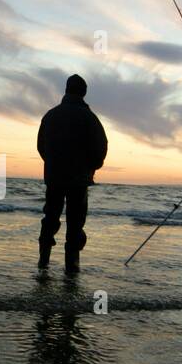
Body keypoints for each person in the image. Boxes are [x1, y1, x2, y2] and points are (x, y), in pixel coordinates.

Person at [36, 74, 108, 274]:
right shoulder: (89, 118)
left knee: (50, 217)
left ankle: (43, 261)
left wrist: (52, 164)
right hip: (79, 180)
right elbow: (101, 147)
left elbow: (41, 146)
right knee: (75, 223)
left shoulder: (50, 115)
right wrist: (92, 168)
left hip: (54, 177)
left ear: (66, 90)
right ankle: (72, 266)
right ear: (83, 93)